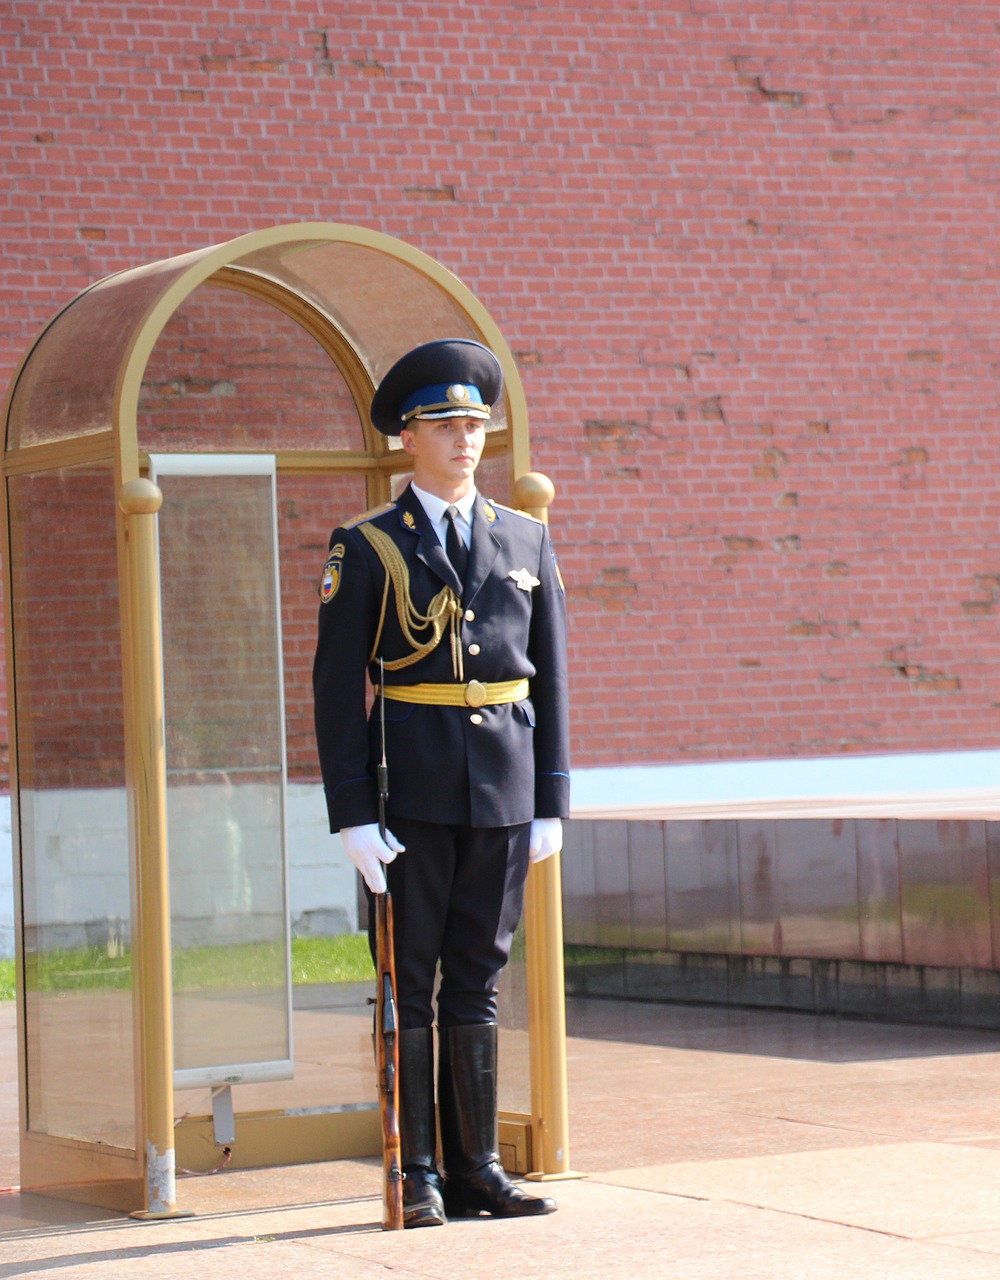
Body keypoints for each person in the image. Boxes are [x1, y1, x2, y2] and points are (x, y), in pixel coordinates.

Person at [314, 338, 570, 1227]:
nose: (466, 441)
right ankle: (418, 1173)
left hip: (502, 789)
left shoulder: (525, 536)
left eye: (474, 426)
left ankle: (477, 1169)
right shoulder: (369, 545)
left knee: (477, 978)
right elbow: (336, 691)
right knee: (409, 979)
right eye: (446, 426)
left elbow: (551, 675)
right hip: (409, 791)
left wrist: (552, 799)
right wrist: (352, 814)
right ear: (408, 438)